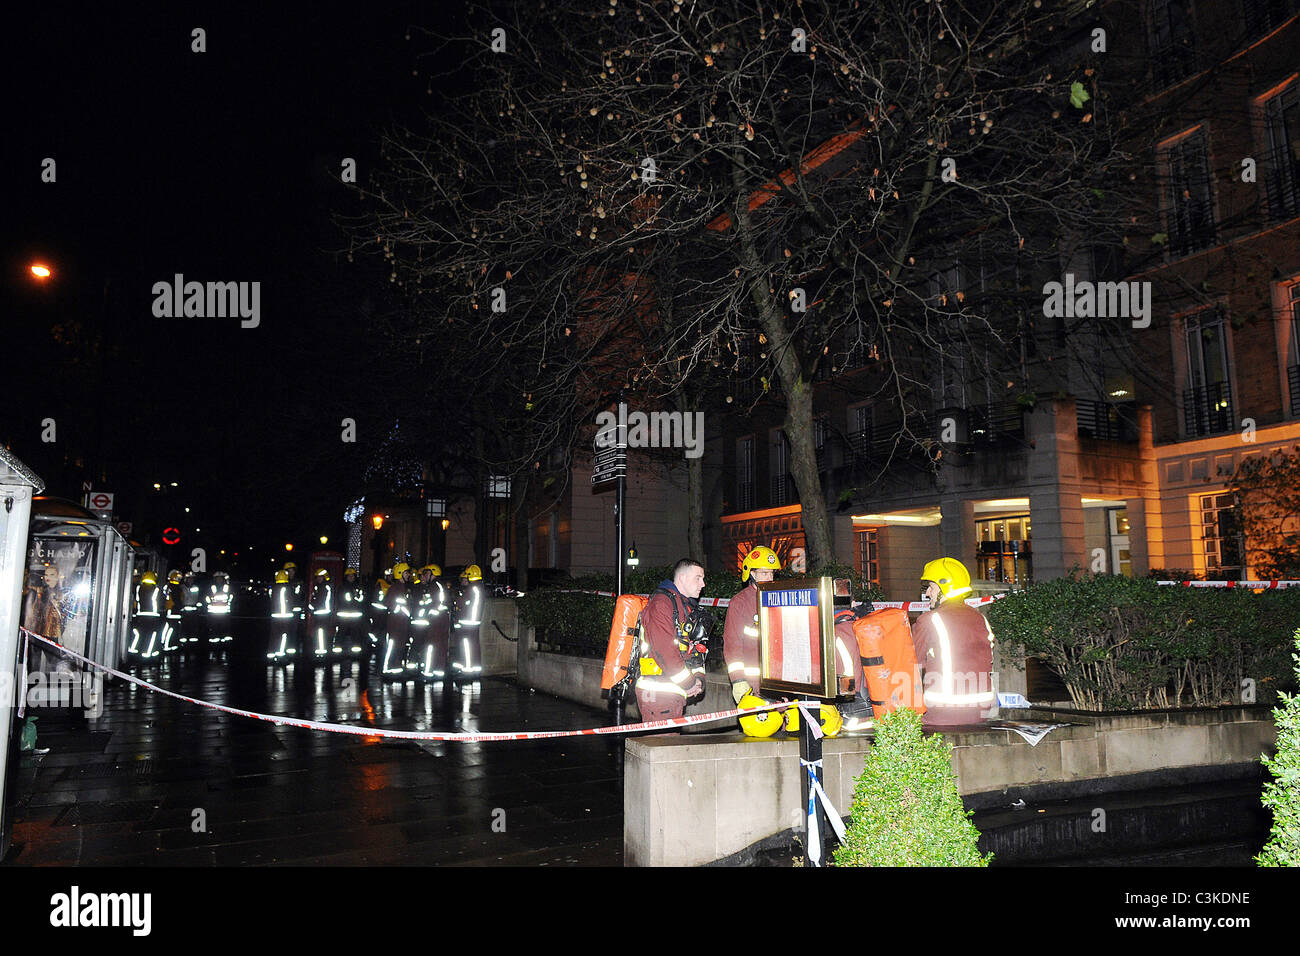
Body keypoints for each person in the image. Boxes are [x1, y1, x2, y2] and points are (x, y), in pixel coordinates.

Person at [912, 557, 995, 727]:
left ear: (944, 587)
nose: (927, 593)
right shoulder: (980, 618)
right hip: (982, 711)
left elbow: (912, 663)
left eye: (931, 587)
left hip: (944, 711)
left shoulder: (929, 619)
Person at [634, 558, 709, 724]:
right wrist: (689, 683)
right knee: (661, 745)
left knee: (668, 745)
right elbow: (664, 651)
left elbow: (690, 649)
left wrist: (698, 677)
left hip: (671, 692)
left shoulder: (683, 605)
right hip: (658, 692)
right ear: (682, 577)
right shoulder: (662, 604)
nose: (703, 584)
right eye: (698, 578)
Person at [451, 564, 485, 680]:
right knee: (474, 646)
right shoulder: (479, 588)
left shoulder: (471, 589)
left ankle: (468, 670)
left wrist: (457, 600)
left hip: (467, 621)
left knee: (467, 646)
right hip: (474, 621)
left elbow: (461, 603)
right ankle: (474, 668)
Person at [335, 567, 367, 655]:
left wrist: (357, 596)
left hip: (355, 615)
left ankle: (355, 650)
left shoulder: (358, 587)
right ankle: (337, 649)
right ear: (346, 577)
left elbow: (362, 600)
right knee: (341, 632)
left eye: (352, 576)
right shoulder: (342, 587)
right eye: (349, 576)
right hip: (344, 615)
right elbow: (340, 599)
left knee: (356, 632)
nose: (351, 577)